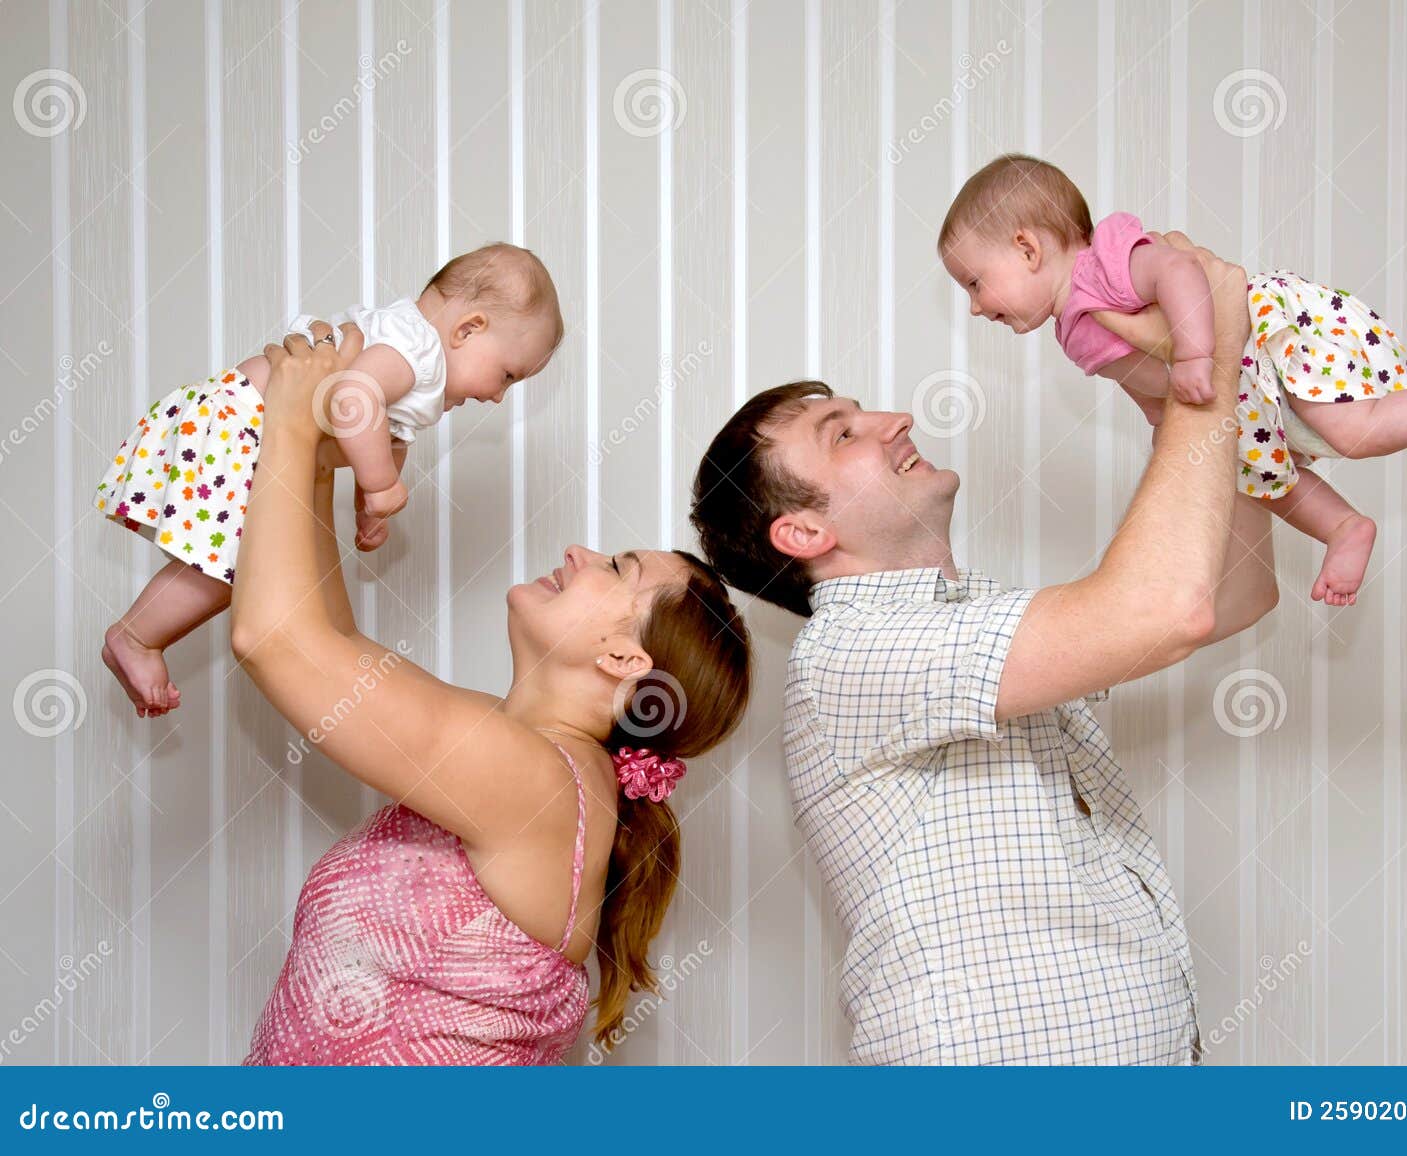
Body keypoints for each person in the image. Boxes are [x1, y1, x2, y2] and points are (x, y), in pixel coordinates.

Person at [689, 237, 1274, 1064]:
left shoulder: (978, 619)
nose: (896, 421)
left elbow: (1238, 593)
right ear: (805, 532)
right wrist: (1205, 360)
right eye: (844, 433)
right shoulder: (850, 652)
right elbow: (1168, 608)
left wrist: (1200, 391)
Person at [232, 321, 751, 1065]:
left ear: (622, 657)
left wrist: (285, 422)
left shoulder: (540, 784)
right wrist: (315, 456)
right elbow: (329, 642)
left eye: (615, 568)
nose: (578, 552)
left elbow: (274, 642)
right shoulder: (527, 756)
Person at [939, 153, 1407, 606]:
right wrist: (1166, 426)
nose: (974, 306)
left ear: (1027, 248)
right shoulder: (1071, 328)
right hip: (1240, 392)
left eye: (974, 283)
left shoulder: (1104, 264)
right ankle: (1344, 527)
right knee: (1258, 479)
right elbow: (1137, 379)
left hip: (1265, 338)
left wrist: (1193, 354)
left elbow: (1181, 272)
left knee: (1351, 429)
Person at [96, 243, 563, 717]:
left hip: (240, 422)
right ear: (468, 329)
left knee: (236, 565)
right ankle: (137, 637)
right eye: (508, 375)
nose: (499, 397)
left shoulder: (411, 351)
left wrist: (369, 506)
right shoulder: (417, 353)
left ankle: (138, 635)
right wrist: (380, 486)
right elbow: (352, 399)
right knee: (237, 565)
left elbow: (378, 431)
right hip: (243, 425)